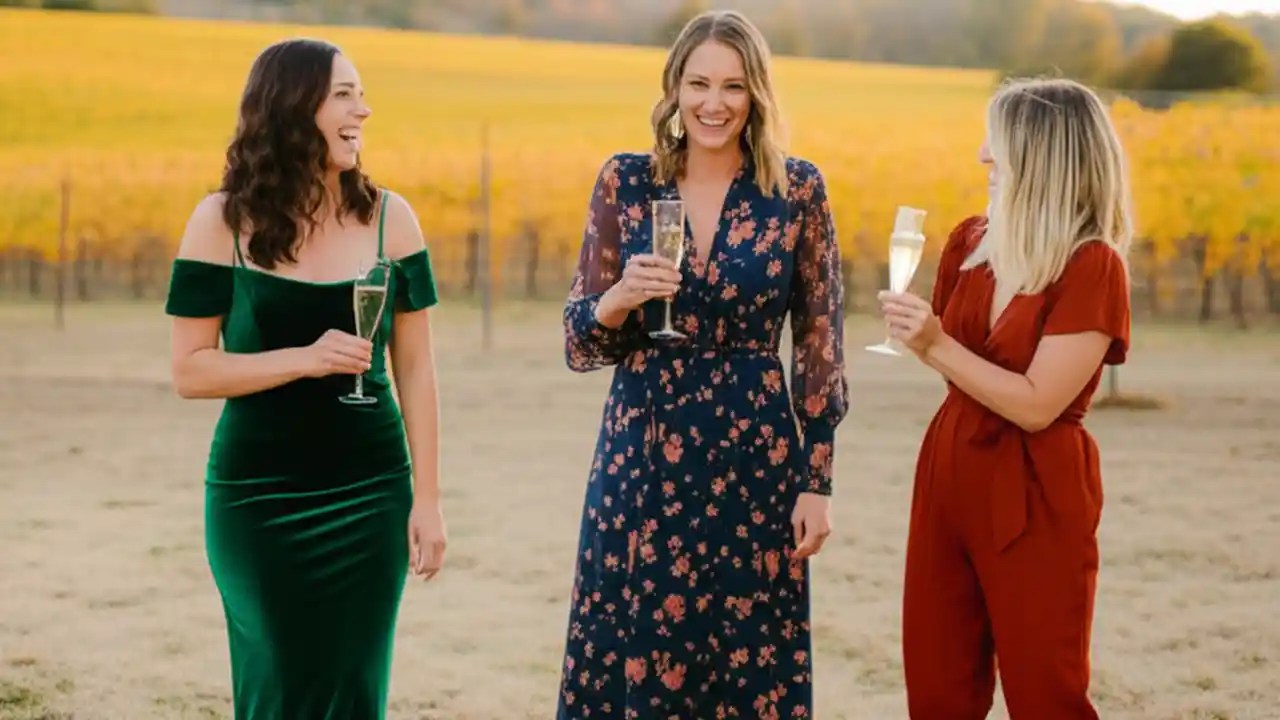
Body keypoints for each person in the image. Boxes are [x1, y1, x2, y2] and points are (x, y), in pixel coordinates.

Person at [555, 10, 849, 719]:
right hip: (644, 451)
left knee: (748, 659)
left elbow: (819, 342)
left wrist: (816, 480)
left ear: (757, 95)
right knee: (638, 642)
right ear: (674, 88)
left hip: (755, 457)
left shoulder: (797, 191)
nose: (714, 103)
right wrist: (619, 299)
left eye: (733, 86)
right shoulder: (627, 182)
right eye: (698, 84)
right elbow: (579, 342)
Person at [163, 38, 445, 719]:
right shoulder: (219, 222)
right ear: (293, 107)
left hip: (371, 492)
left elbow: (415, 367)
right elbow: (190, 370)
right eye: (344, 95)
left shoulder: (391, 220)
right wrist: (305, 359)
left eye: (362, 95)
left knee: (355, 688)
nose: (363, 111)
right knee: (279, 682)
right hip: (257, 498)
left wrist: (428, 500)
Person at [879, 77, 1133, 719]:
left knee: (1045, 692)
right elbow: (954, 364)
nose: (982, 156)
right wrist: (926, 340)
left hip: (1036, 486)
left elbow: (1036, 404)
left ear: (1043, 154)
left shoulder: (1092, 266)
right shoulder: (969, 243)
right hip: (950, 467)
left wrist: (934, 343)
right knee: (937, 690)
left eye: (997, 142)